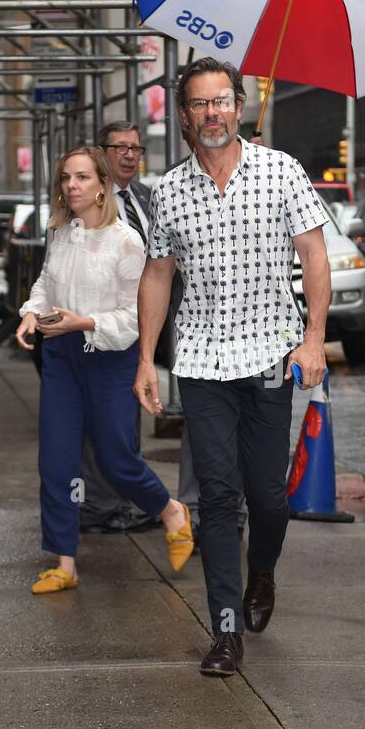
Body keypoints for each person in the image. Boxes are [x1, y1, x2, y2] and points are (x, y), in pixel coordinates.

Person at [135, 58, 332, 677]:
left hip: (271, 356)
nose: (213, 113)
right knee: (218, 498)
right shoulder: (167, 190)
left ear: (240, 107)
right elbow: (158, 274)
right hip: (201, 360)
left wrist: (315, 338)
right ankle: (224, 633)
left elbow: (315, 254)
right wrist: (146, 357)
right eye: (200, 104)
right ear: (186, 118)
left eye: (222, 101)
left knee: (269, 498)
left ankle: (264, 570)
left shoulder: (282, 172)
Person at [15, 145, 192, 595]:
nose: (71, 186)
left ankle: (168, 508)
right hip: (60, 354)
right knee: (55, 459)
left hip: (108, 356)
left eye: (81, 178)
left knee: (116, 458)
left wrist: (86, 322)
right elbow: (44, 283)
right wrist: (32, 313)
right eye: (66, 178)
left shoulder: (128, 241)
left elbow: (136, 316)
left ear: (102, 186)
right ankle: (64, 563)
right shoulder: (61, 233)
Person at [75, 120, 156, 535]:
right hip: (100, 323)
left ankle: (123, 500)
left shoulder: (145, 197)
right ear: (102, 152)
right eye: (120, 147)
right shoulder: (88, 199)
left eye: (136, 149)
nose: (129, 155)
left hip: (142, 321)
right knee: (103, 419)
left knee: (128, 415)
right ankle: (100, 507)